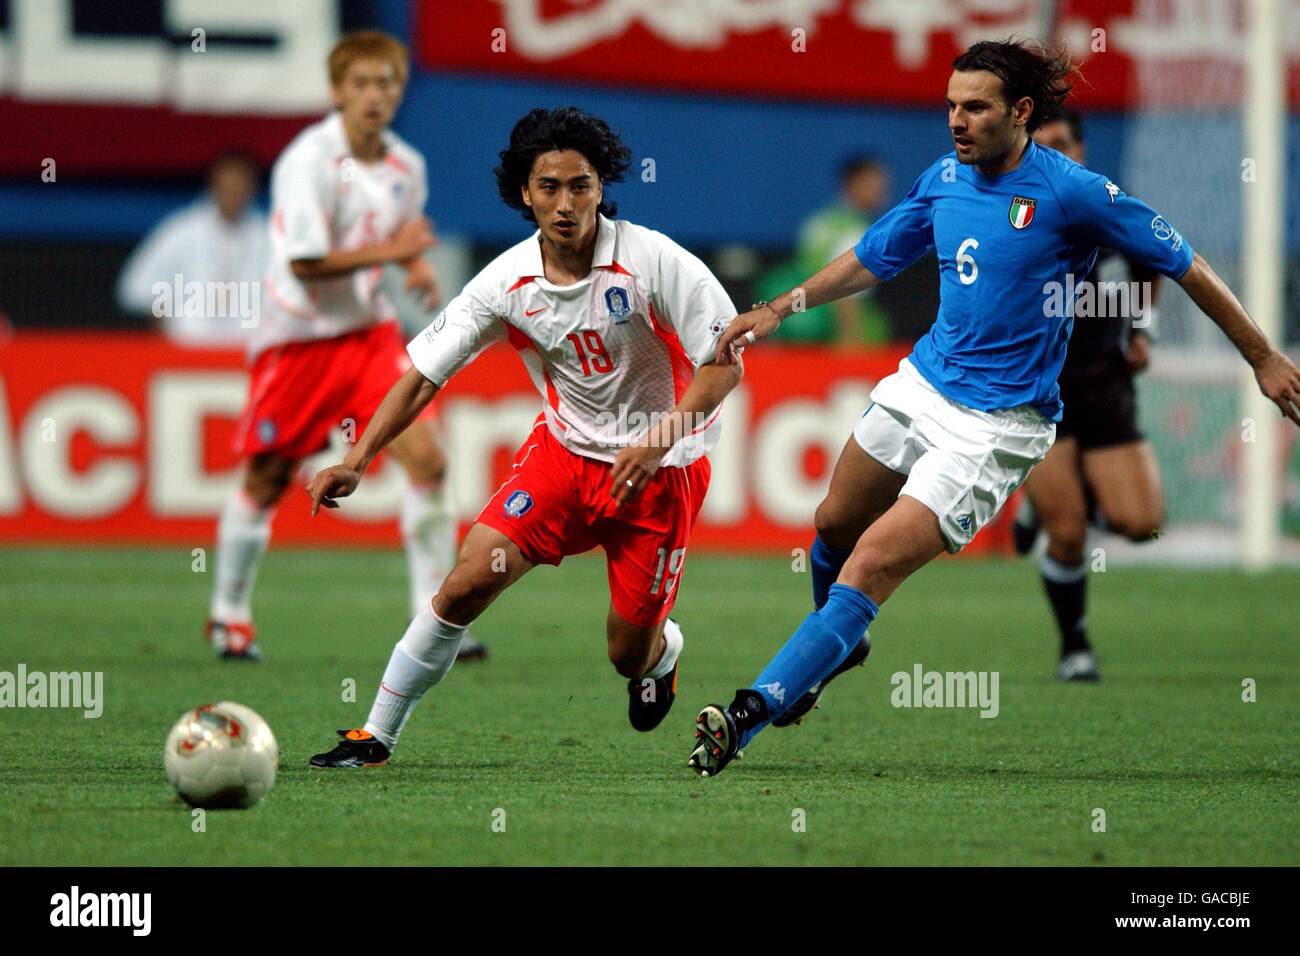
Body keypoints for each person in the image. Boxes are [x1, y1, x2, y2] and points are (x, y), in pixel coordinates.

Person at [689, 38, 1300, 777]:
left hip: (997, 425)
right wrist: (780, 306)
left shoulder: (1072, 191)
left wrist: (1263, 356)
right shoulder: (944, 177)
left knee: (872, 563)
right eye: (950, 105)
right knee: (832, 527)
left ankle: (752, 710)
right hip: (921, 385)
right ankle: (838, 645)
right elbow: (874, 255)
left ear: (1020, 112)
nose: (956, 119)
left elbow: (1186, 261)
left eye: (974, 107)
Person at [305, 107, 743, 769]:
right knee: (463, 587)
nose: (565, 203)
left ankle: (663, 653)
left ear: (602, 187)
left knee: (627, 651)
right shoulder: (504, 284)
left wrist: (658, 438)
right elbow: (423, 376)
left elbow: (724, 364)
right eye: (548, 187)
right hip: (564, 460)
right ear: (523, 193)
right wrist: (359, 457)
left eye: (580, 186)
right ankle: (375, 736)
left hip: (661, 472)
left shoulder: (655, 262)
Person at [206, 30, 485, 661]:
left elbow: (393, 234)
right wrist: (397, 254)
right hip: (299, 338)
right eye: (360, 83)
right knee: (269, 476)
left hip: (368, 335)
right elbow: (306, 263)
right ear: (336, 92)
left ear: (400, 91)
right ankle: (228, 614)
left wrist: (411, 270)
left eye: (386, 84)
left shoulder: (407, 166)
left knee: (430, 463)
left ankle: (434, 618)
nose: (374, 96)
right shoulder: (307, 160)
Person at [1013, 108, 1164, 682]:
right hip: (1037, 391)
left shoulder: (1111, 209)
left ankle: (1048, 498)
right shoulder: (1018, 215)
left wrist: (1141, 330)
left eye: (1059, 146)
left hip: (1104, 385)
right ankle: (1074, 645)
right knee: (1070, 534)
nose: (1049, 158)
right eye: (1038, 148)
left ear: (1078, 151)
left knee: (1141, 523)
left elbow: (1158, 264)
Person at [115, 150, 268, 346]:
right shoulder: (181, 230)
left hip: (247, 349)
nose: (233, 191)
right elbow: (140, 289)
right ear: (213, 184)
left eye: (240, 184)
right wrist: (165, 347)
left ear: (252, 187)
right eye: (227, 184)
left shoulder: (267, 235)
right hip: (187, 347)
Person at [771, 155, 893, 346]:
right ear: (854, 183)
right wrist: (851, 342)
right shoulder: (857, 231)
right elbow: (846, 295)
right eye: (874, 184)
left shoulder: (819, 221)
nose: (882, 191)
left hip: (800, 323)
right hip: (831, 333)